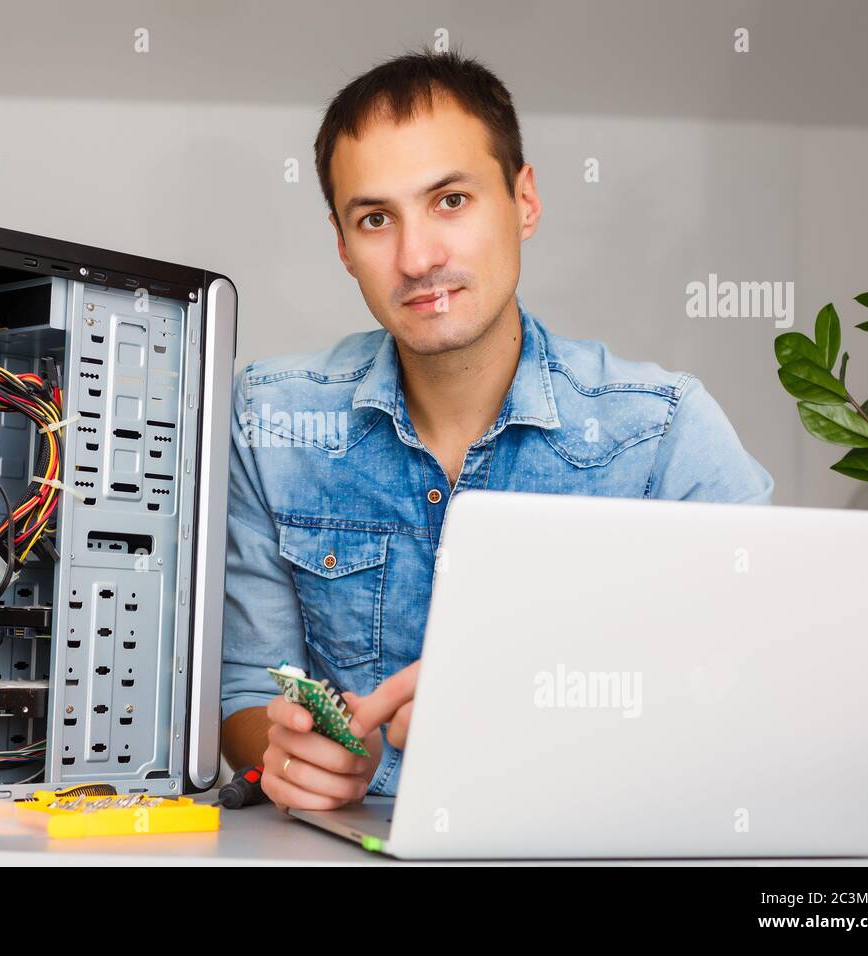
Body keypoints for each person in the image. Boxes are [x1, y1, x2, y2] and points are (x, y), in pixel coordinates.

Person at [219, 49, 773, 810]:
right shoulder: (269, 421)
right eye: (376, 219)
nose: (418, 258)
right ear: (344, 246)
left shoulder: (664, 430)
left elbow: (765, 683)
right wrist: (286, 756)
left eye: (450, 200)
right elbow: (246, 689)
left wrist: (537, 705)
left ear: (524, 201)